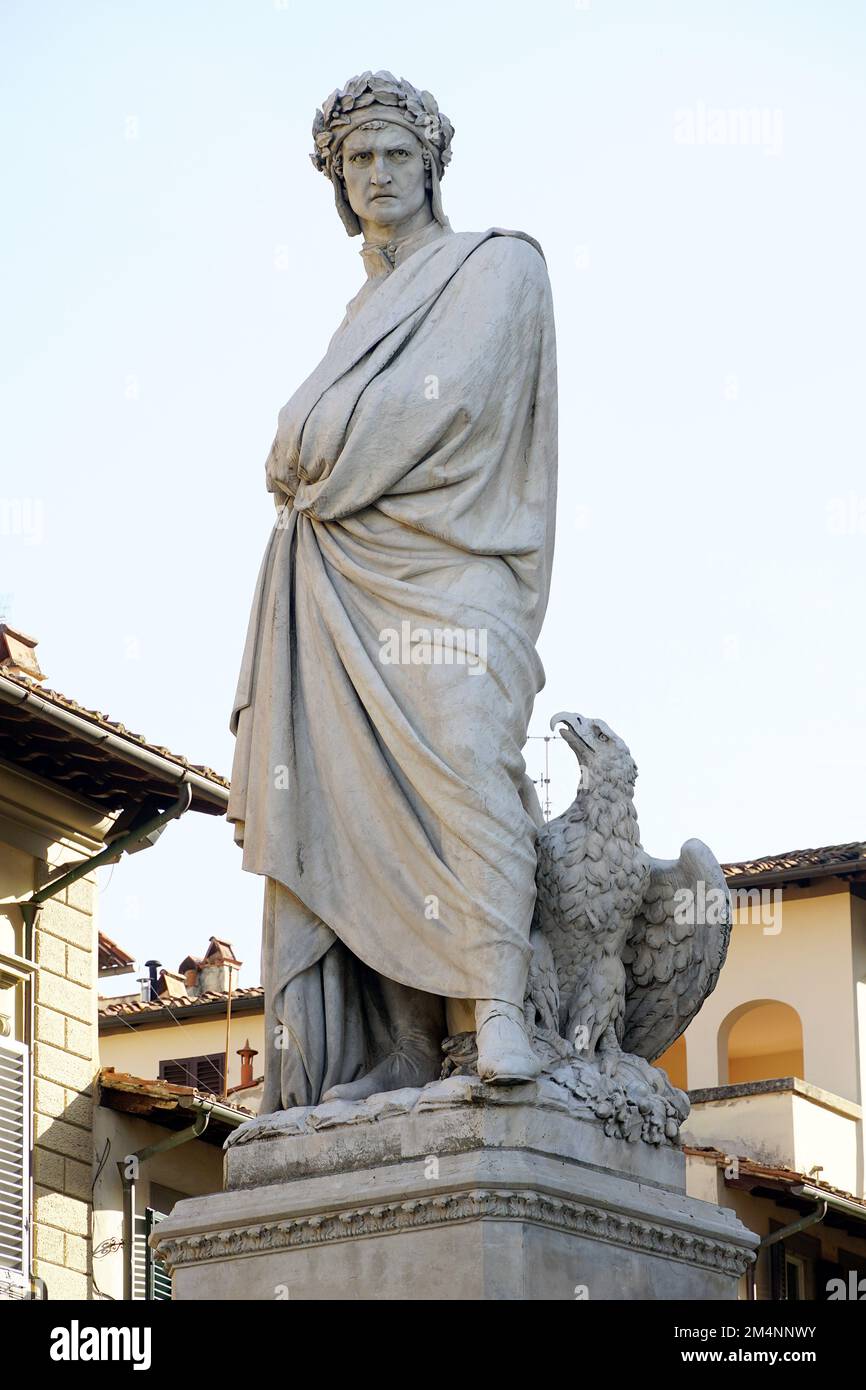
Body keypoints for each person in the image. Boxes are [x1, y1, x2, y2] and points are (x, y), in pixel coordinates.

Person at [228, 71, 558, 1111]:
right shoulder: (357, 312)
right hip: (341, 583)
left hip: (457, 565)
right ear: (337, 181)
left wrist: (310, 455)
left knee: (464, 756)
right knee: (347, 796)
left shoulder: (495, 266)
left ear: (430, 166)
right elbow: (306, 436)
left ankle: (496, 1003)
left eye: (392, 155)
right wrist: (309, 452)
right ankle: (409, 1042)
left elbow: (445, 407)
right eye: (355, 160)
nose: (375, 174)